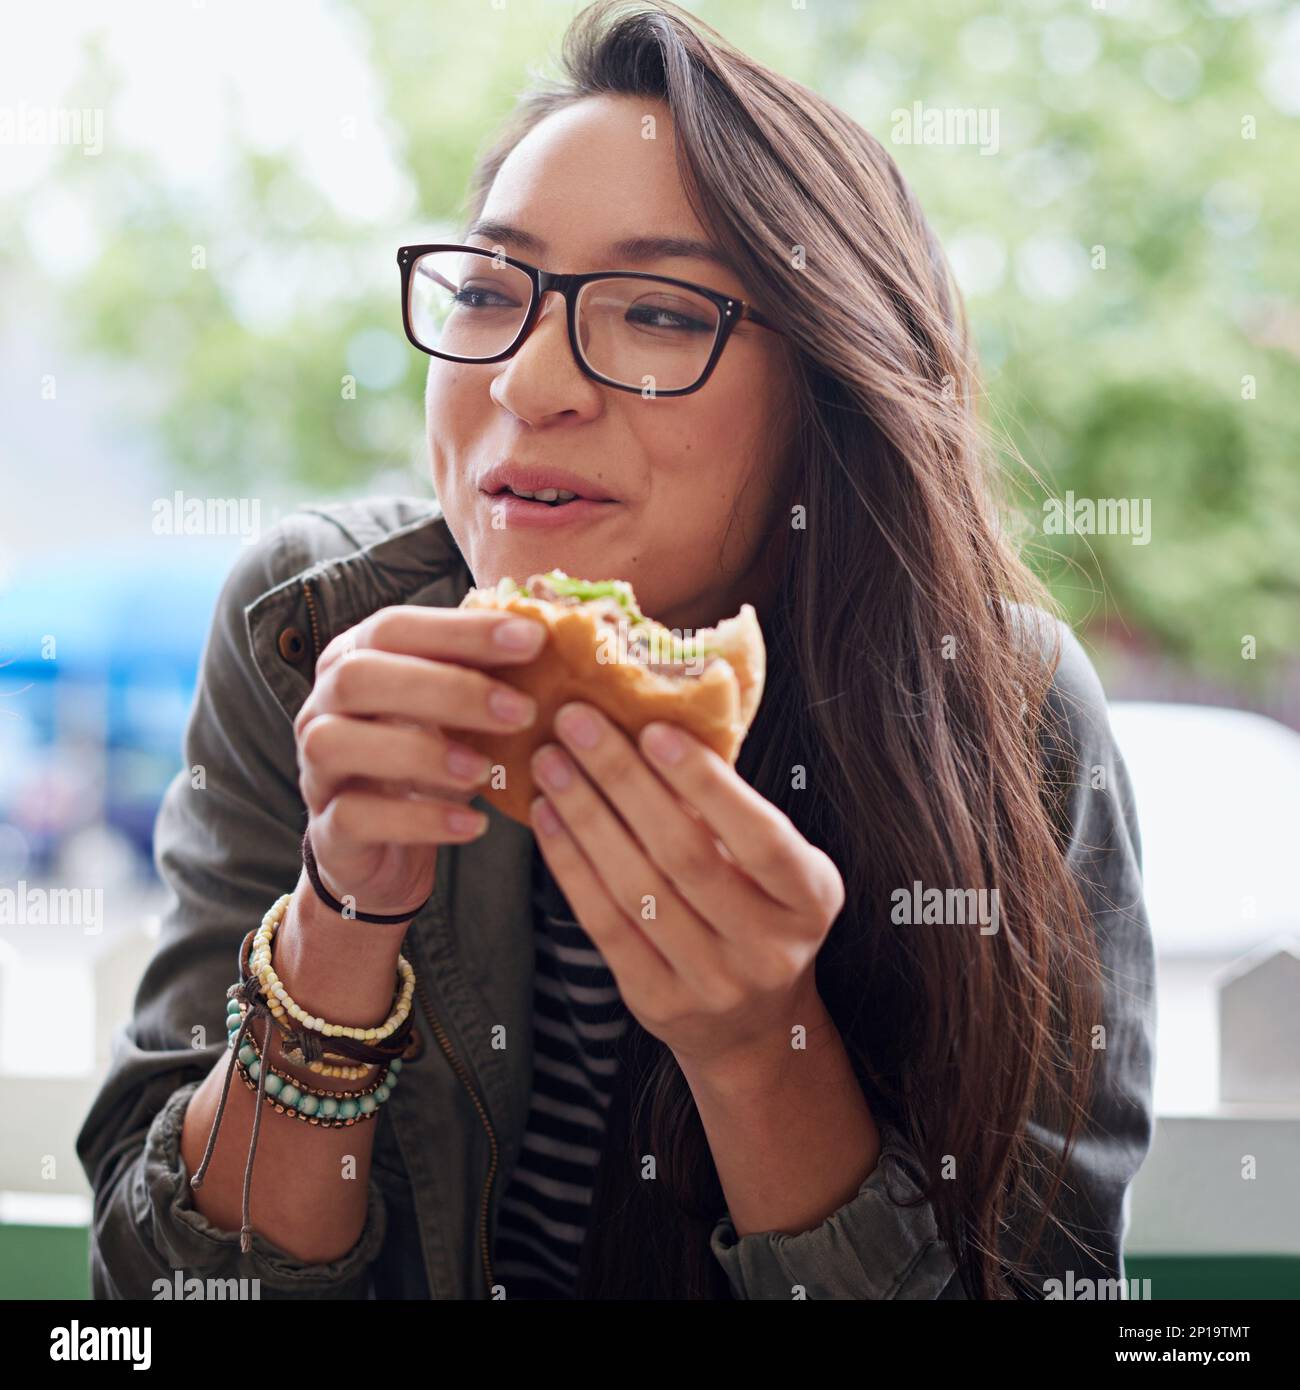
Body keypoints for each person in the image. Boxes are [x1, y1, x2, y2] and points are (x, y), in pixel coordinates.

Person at [78, 0, 1155, 1301]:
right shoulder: (310, 634)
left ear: (831, 389)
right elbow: (157, 1304)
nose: (530, 382)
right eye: (485, 290)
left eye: (653, 311)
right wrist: (340, 923)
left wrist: (759, 1046)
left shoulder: (1005, 713)